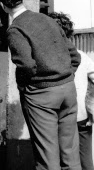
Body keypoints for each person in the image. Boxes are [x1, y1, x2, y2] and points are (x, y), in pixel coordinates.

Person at [0, 0, 81, 170]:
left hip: (41, 94)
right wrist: (65, 76)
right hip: (68, 89)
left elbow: (26, 65)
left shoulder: (15, 30)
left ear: (3, 5)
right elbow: (74, 56)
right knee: (70, 153)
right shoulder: (48, 20)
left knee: (48, 157)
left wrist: (26, 87)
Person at [50, 11, 94, 170]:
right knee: (85, 158)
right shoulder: (81, 55)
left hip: (60, 117)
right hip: (82, 115)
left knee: (64, 159)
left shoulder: (47, 59)